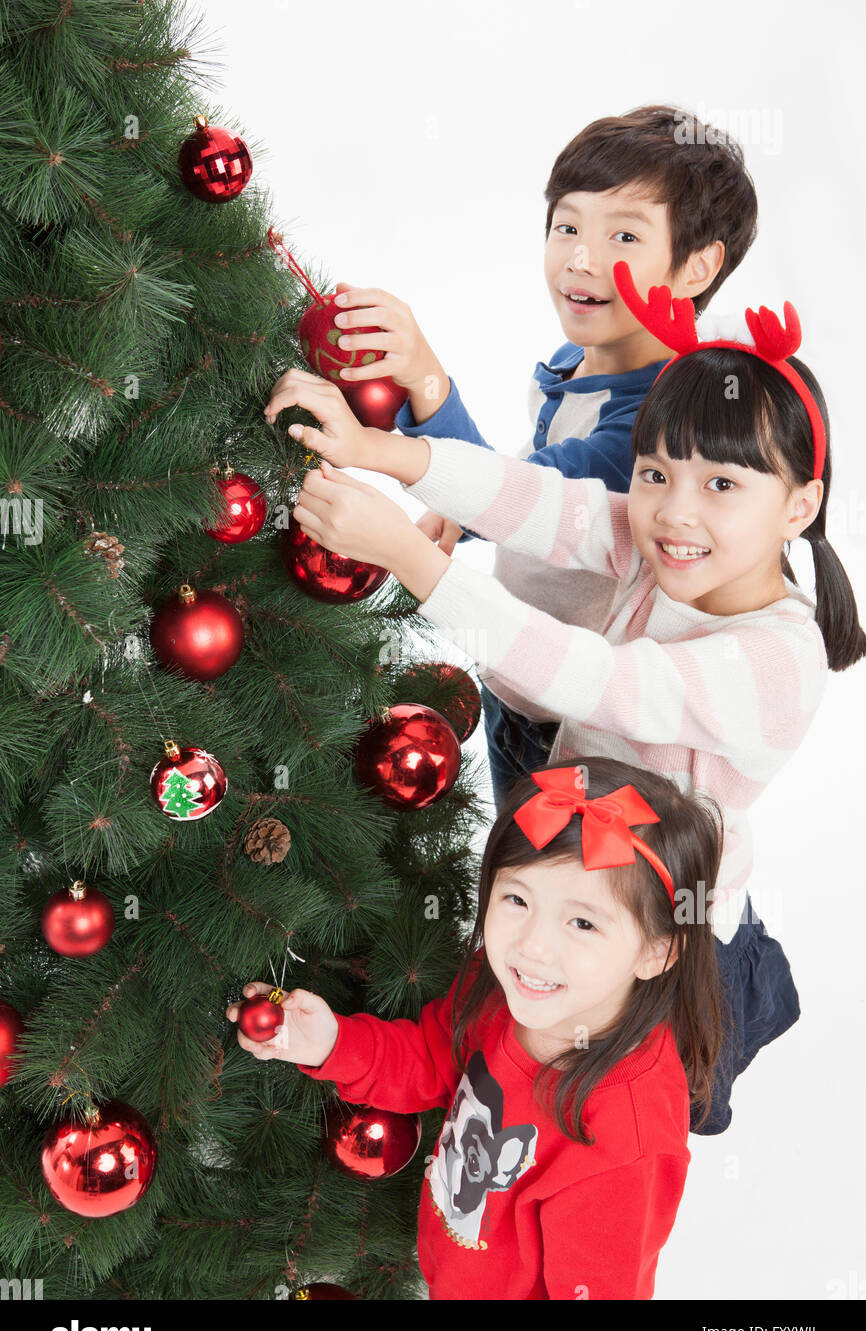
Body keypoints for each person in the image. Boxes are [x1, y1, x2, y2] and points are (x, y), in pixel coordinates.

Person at [261, 265, 865, 1133]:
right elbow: (543, 503)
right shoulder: (659, 544)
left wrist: (413, 559)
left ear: (800, 505)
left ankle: (746, 996)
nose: (674, 513)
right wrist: (377, 451)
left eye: (723, 486)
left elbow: (599, 681)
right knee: (547, 1047)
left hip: (667, 913)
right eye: (656, 474)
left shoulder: (777, 661)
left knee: (649, 1102)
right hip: (583, 851)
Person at [314, 105, 759, 809]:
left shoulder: (663, 425)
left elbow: (528, 501)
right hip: (516, 683)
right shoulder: (577, 362)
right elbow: (537, 479)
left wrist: (428, 381)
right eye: (567, 226)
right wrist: (465, 508)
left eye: (622, 235)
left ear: (698, 265)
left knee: (569, 897)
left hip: (570, 725)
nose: (580, 257)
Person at [226, 756, 726, 1300]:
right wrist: (332, 1042)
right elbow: (433, 1056)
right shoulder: (503, 988)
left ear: (656, 952)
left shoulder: (624, 1140)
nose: (533, 946)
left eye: (582, 922)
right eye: (517, 899)